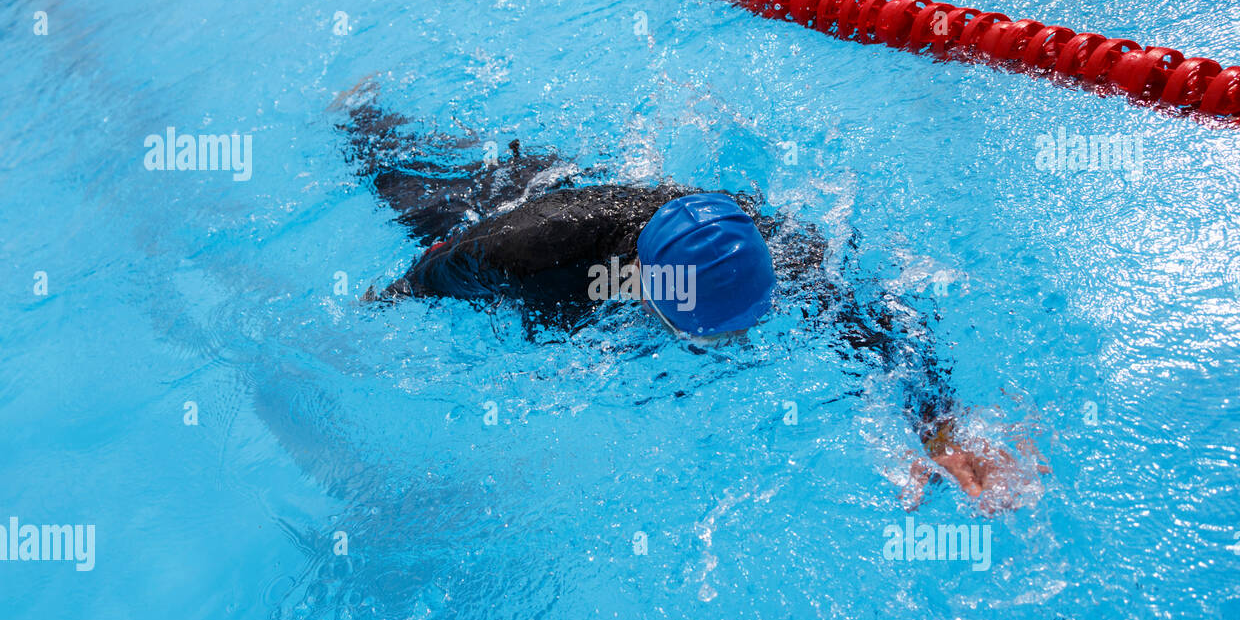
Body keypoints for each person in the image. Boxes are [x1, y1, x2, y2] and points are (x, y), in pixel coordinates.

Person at [334, 84, 1042, 507]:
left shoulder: (760, 245)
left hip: (614, 228)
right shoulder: (528, 242)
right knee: (403, 174)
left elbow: (882, 326)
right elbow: (437, 267)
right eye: (717, 333)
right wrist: (382, 301)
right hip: (515, 216)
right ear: (653, 294)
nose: (735, 346)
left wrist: (940, 427)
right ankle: (352, 112)